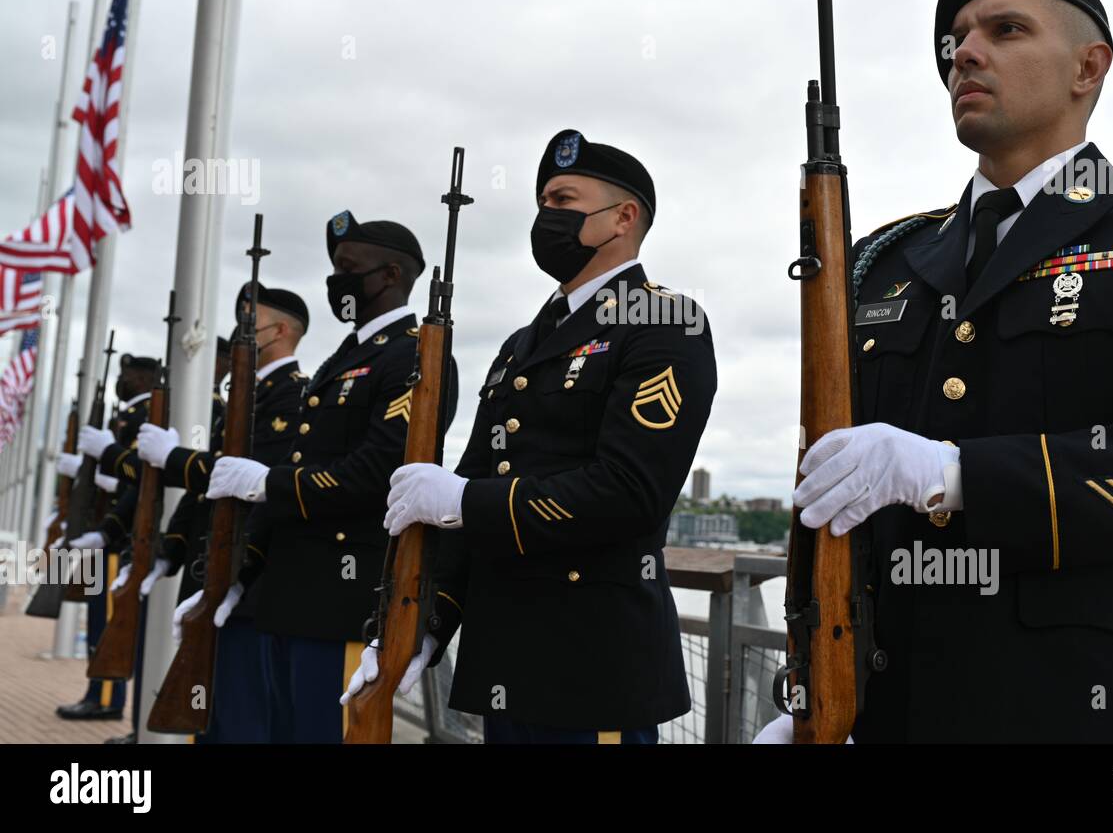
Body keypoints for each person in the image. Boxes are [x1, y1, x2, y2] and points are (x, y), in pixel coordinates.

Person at [757, 0, 1113, 743]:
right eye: (957, 37)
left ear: (1089, 67)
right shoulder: (886, 260)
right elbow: (830, 492)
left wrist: (957, 475)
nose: (966, 52)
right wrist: (803, 692)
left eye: (1005, 30)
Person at [345, 129, 718, 744]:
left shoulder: (664, 323)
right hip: (506, 665)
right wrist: (427, 623)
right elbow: (467, 494)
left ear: (623, 217)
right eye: (542, 202)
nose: (546, 217)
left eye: (563, 200)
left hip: (594, 671)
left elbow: (628, 493)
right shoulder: (519, 345)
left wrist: (462, 501)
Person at [204, 213, 456, 743]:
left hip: (344, 601)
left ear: (389, 275)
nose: (335, 281)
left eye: (347, 268)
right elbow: (306, 464)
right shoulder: (346, 357)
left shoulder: (413, 354)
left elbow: (377, 474)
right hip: (289, 595)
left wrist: (265, 484)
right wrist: (246, 571)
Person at [142, 287, 308, 742]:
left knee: (241, 714)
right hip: (215, 569)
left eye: (250, 324)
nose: (241, 333)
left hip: (248, 582)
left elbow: (263, 490)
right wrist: (168, 551)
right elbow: (209, 496)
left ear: (279, 331)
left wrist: (174, 458)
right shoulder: (248, 398)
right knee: (210, 711)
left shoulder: (292, 398)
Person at [55, 353, 160, 723]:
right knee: (97, 618)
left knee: (109, 622)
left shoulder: (145, 413)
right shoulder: (126, 413)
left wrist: (95, 475)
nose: (124, 379)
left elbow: (139, 480)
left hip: (117, 539)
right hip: (101, 533)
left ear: (146, 378)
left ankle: (106, 697)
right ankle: (96, 692)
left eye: (130, 373)